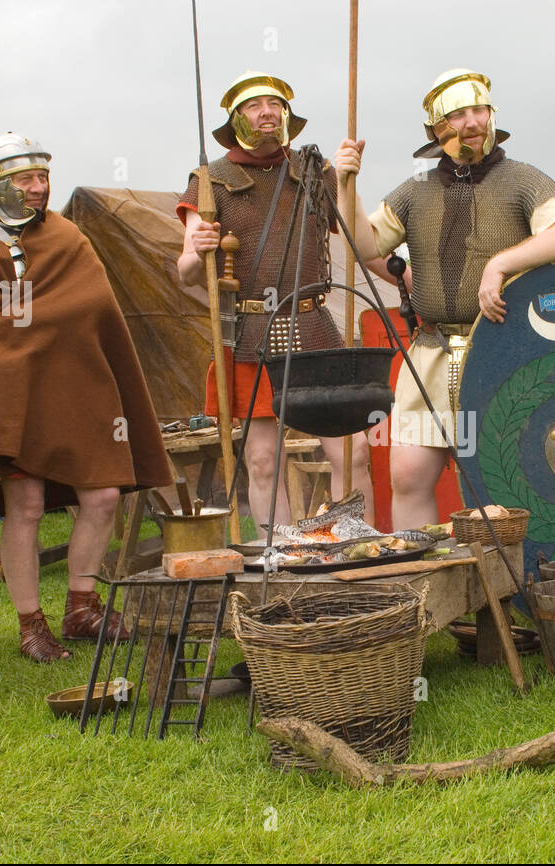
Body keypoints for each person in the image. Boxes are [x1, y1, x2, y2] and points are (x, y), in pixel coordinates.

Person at [0, 133, 173, 662]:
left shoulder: (65, 235)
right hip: (5, 393)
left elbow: (93, 306)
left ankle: (81, 606)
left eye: (43, 177)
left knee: (104, 494)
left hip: (75, 383)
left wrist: (41, 320)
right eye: (26, 180)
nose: (39, 188)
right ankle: (30, 623)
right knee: (28, 504)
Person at [334, 68, 555, 529]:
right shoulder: (417, 190)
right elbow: (365, 247)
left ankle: (505, 579)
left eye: (479, 109)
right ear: (437, 129)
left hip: (500, 349)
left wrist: (500, 265)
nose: (472, 121)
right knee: (408, 475)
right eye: (458, 114)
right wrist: (346, 185)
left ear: (491, 115)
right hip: (430, 352)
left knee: (500, 477)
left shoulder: (521, 179)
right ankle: (430, 580)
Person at [176, 71, 378, 528]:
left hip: (313, 324)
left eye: (275, 104)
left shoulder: (314, 170)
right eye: (255, 105)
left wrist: (346, 180)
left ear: (287, 115)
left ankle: (355, 541)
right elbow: (187, 271)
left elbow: (355, 238)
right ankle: (281, 555)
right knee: (263, 459)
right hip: (251, 333)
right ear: (237, 118)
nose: (267, 112)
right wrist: (200, 249)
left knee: (353, 450)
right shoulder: (211, 181)